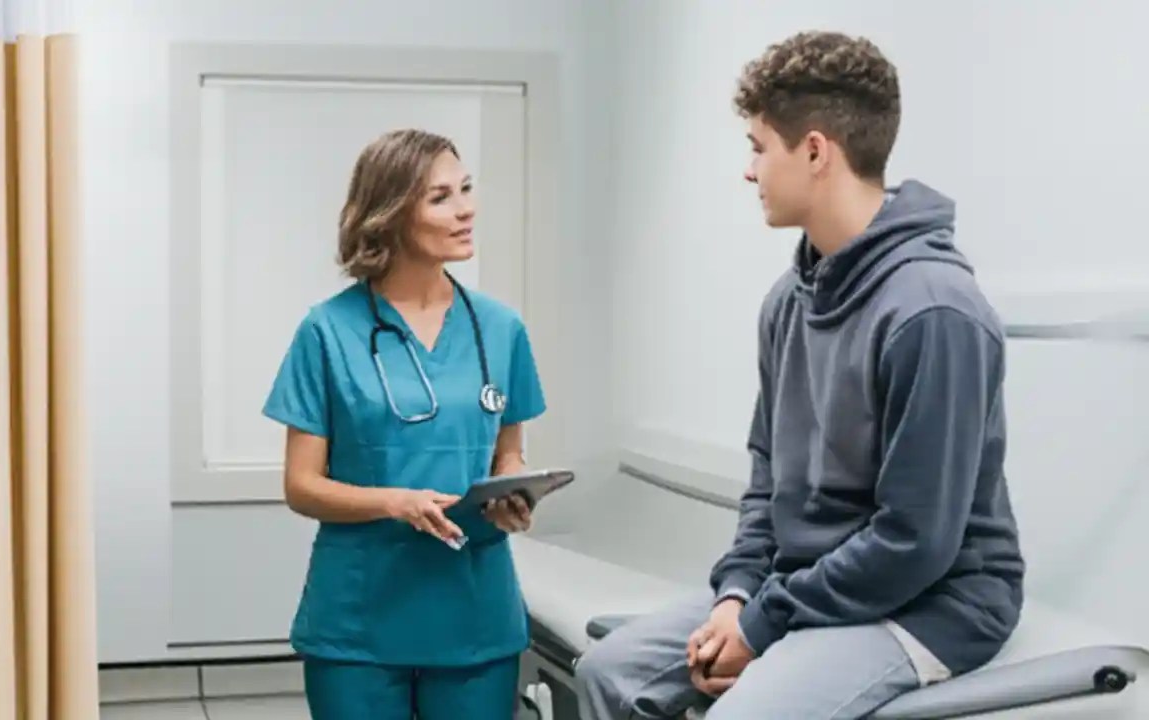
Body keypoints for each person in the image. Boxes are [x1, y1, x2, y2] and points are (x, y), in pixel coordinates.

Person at [575, 30, 1026, 719]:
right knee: (609, 672)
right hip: (806, 582)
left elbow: (915, 543)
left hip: (935, 601)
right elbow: (767, 480)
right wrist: (737, 593)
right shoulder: (790, 301)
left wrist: (760, 625)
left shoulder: (934, 313)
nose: (749, 171)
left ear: (815, 151)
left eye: (758, 147)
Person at [262, 128, 547, 719]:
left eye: (466, 189)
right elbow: (301, 486)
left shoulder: (501, 329)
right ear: (390, 213)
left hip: (475, 613)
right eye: (440, 197)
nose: (466, 208)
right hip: (361, 617)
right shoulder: (327, 332)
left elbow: (509, 455)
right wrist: (396, 502)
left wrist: (515, 491)